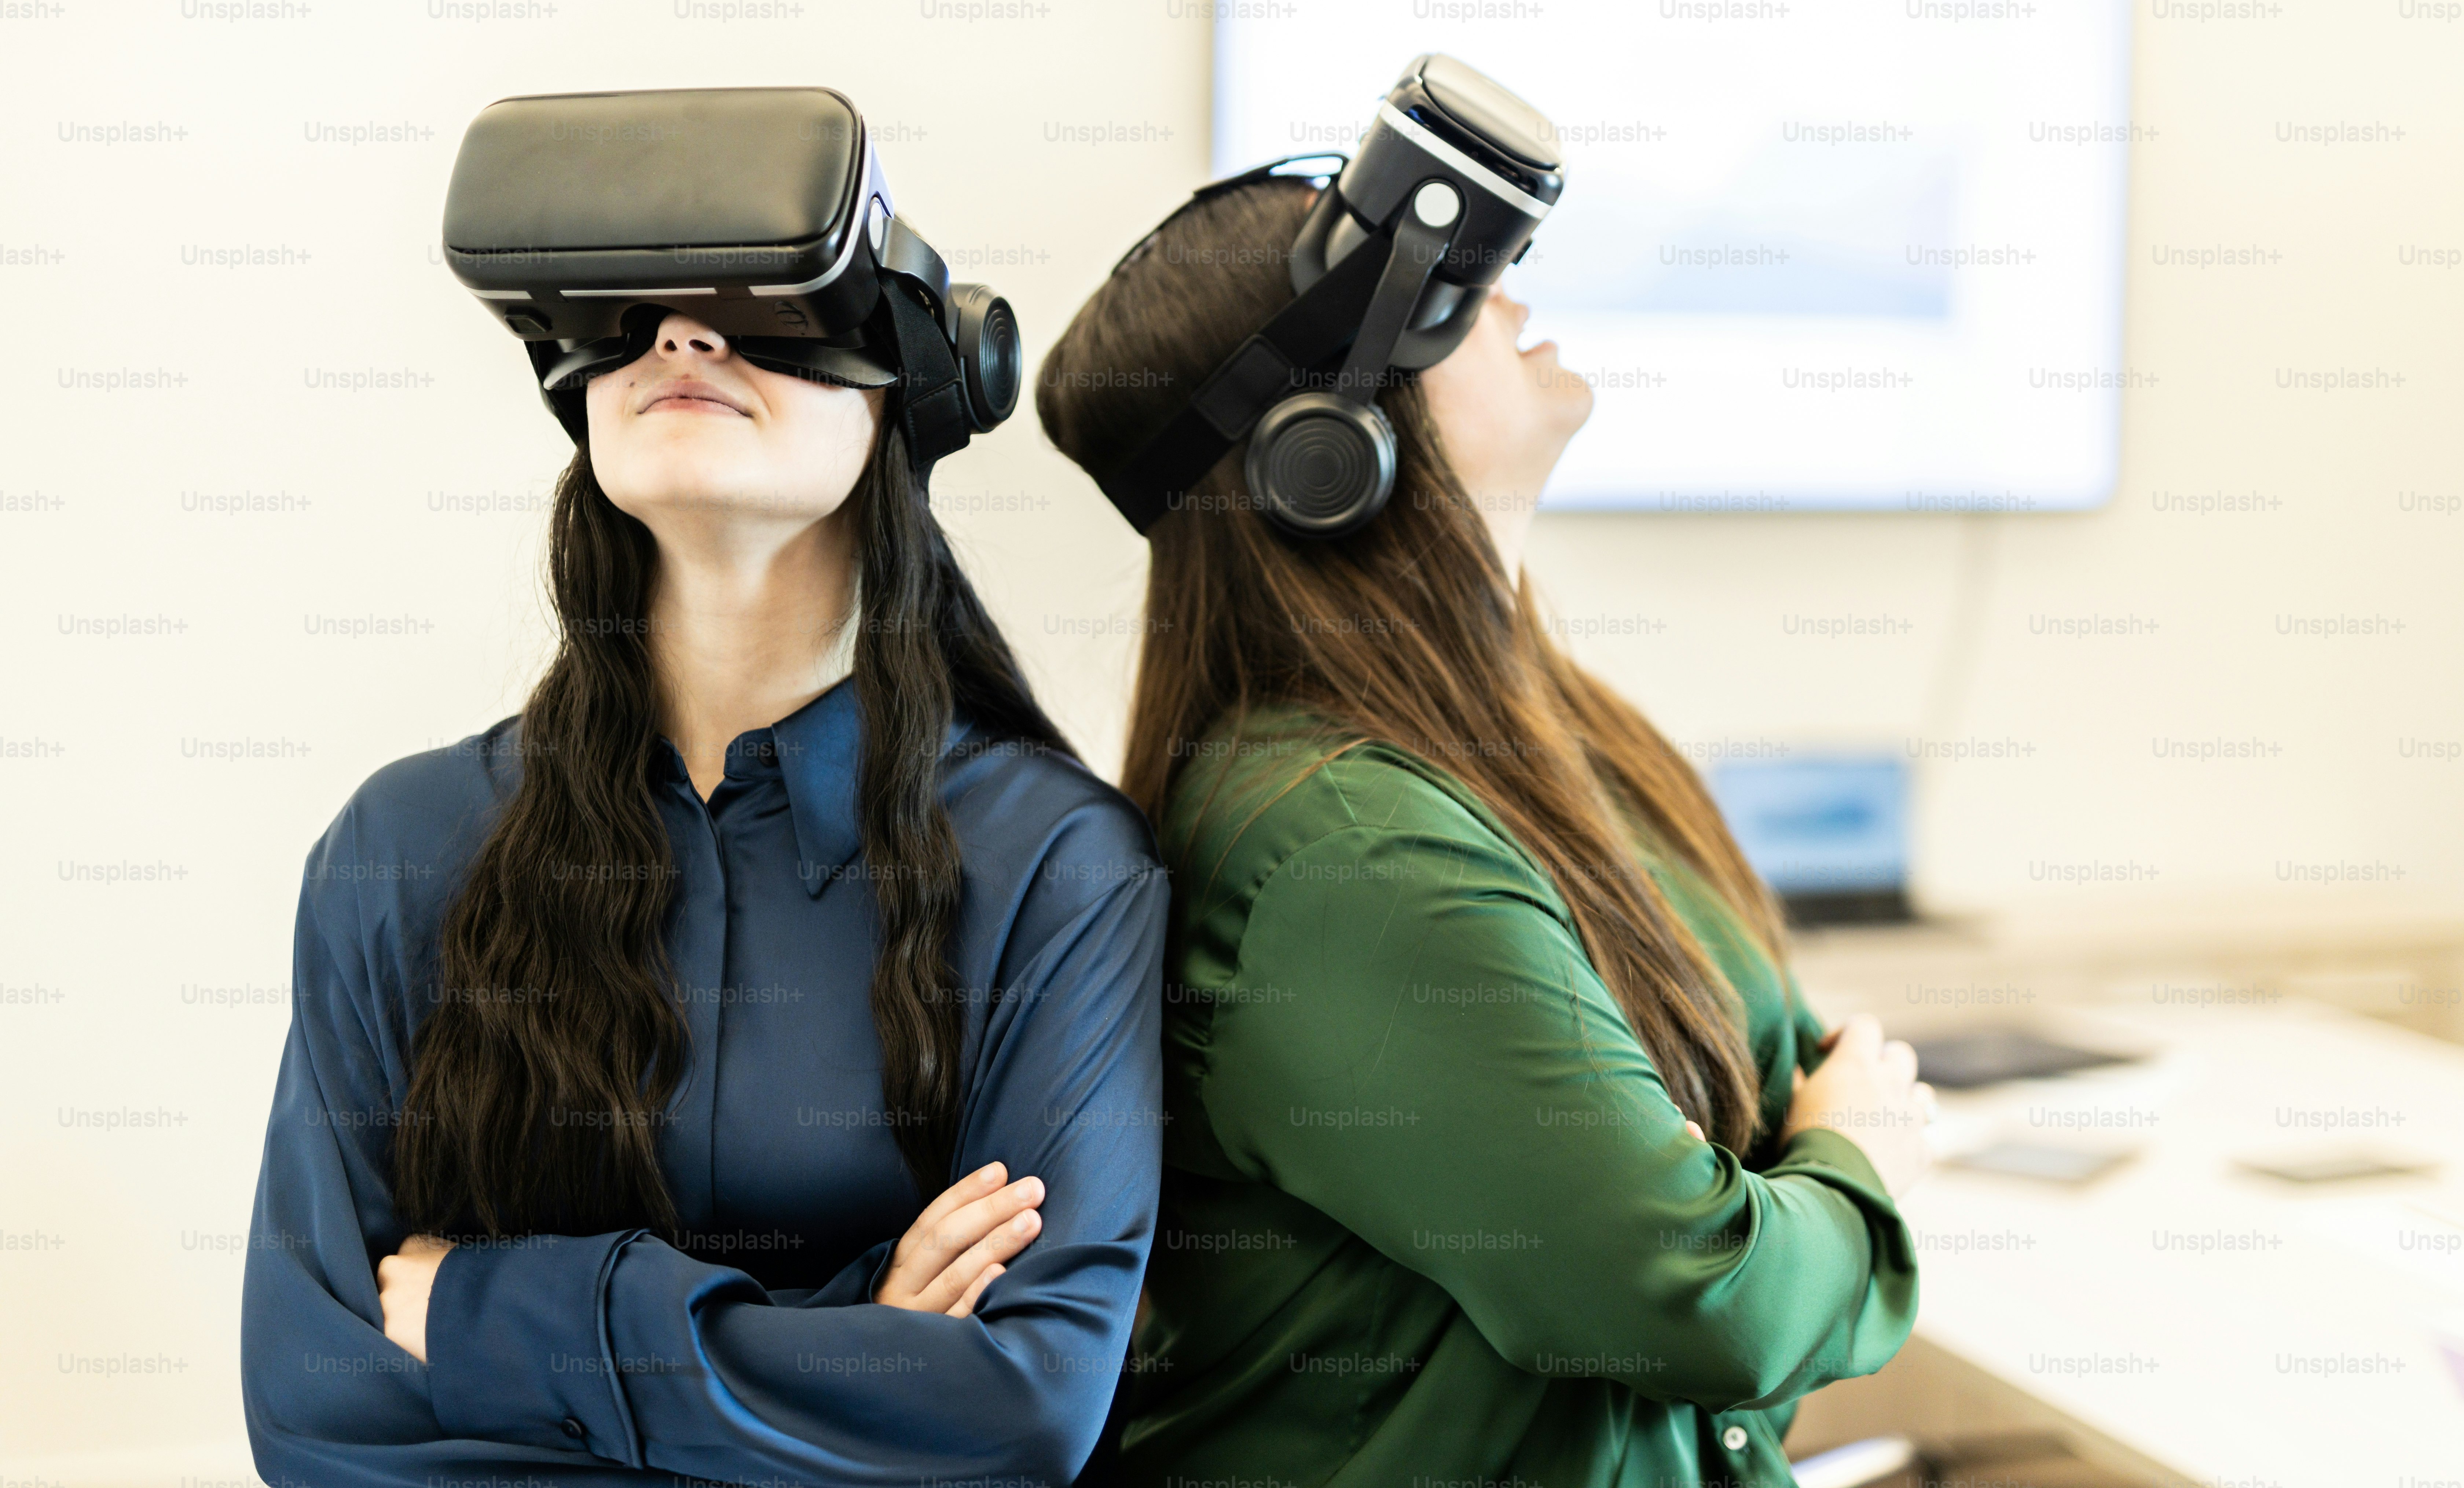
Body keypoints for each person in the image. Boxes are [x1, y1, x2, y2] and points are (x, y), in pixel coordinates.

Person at [1036, 175, 1933, 1488]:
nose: (1509, 294)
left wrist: (1795, 1173)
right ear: (1322, 447)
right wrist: (1863, 1163)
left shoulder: (1567, 733)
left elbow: (1764, 1093)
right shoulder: (1345, 853)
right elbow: (1698, 1296)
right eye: (1446, 297)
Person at [241, 308, 1166, 1486]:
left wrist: (491, 1319)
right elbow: (315, 1419)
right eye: (629, 297)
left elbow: (1024, 1411)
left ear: (909, 385)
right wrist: (850, 1333)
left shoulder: (1059, 866)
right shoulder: (399, 848)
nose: (681, 333)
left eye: (767, 301)